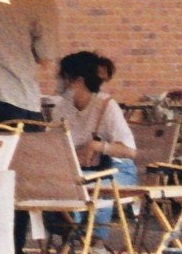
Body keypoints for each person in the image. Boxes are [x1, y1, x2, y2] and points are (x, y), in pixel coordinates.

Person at [57, 51, 138, 181]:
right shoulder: (61, 108)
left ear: (79, 81)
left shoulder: (107, 106)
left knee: (76, 186)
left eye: (64, 79)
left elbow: (130, 151)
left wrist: (97, 146)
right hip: (80, 171)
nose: (59, 84)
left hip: (116, 171)